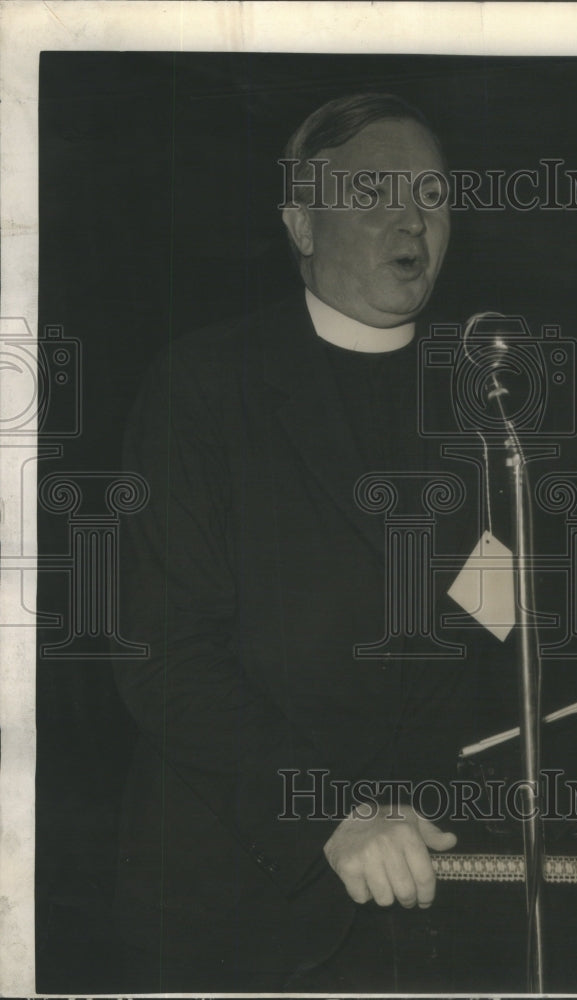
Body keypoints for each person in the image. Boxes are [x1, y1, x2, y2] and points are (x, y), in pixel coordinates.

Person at [113, 92, 516, 993]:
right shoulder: (203, 386)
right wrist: (330, 814)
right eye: (374, 192)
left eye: (432, 194)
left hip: (438, 905)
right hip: (237, 913)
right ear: (300, 219)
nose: (411, 218)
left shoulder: (487, 401)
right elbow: (163, 655)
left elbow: (490, 626)